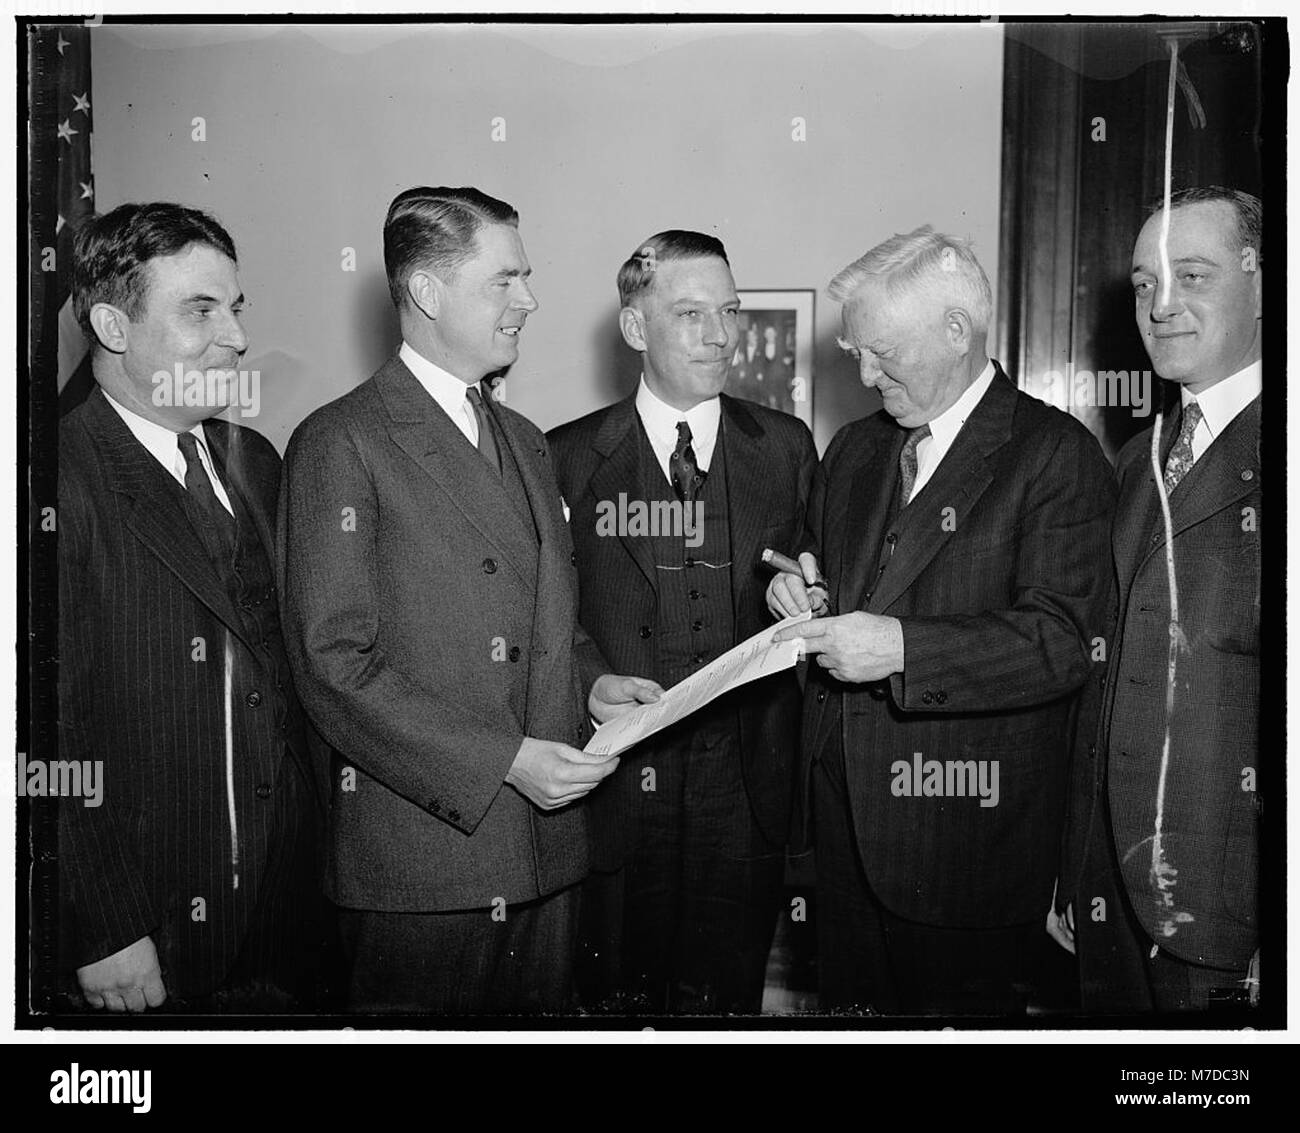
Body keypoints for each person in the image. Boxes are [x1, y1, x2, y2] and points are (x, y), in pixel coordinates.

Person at [278, 186, 659, 1013]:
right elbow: (332, 665)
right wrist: (508, 761)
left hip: (550, 856)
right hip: (428, 868)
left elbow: (542, 610)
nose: (530, 299)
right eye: (505, 280)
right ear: (426, 292)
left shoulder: (523, 438)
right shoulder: (340, 441)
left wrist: (589, 682)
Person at [768, 225, 1114, 1014]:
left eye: (878, 350)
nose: (861, 372)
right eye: (855, 351)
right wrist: (796, 587)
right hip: (841, 830)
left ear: (956, 331)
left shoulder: (1056, 456)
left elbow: (1063, 640)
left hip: (965, 846)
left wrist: (898, 649)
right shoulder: (855, 447)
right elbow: (818, 562)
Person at [58, 202, 325, 1012]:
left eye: (235, 308)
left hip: (287, 919)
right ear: (112, 323)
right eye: (200, 310)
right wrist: (101, 922)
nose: (237, 337)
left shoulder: (259, 462)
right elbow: (38, 731)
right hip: (149, 930)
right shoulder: (52, 480)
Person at [549, 230, 817, 1013]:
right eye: (692, 313)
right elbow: (545, 617)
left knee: (723, 1007)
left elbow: (812, 565)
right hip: (618, 795)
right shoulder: (563, 458)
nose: (721, 334)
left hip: (747, 796)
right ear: (635, 328)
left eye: (730, 311)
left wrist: (804, 589)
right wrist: (592, 680)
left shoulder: (788, 448)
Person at [1058, 187, 1261, 1013]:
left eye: (1192, 275)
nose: (1160, 306)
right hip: (1114, 903)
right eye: (1145, 284)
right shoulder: (1139, 457)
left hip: (1233, 921)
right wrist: (1077, 869)